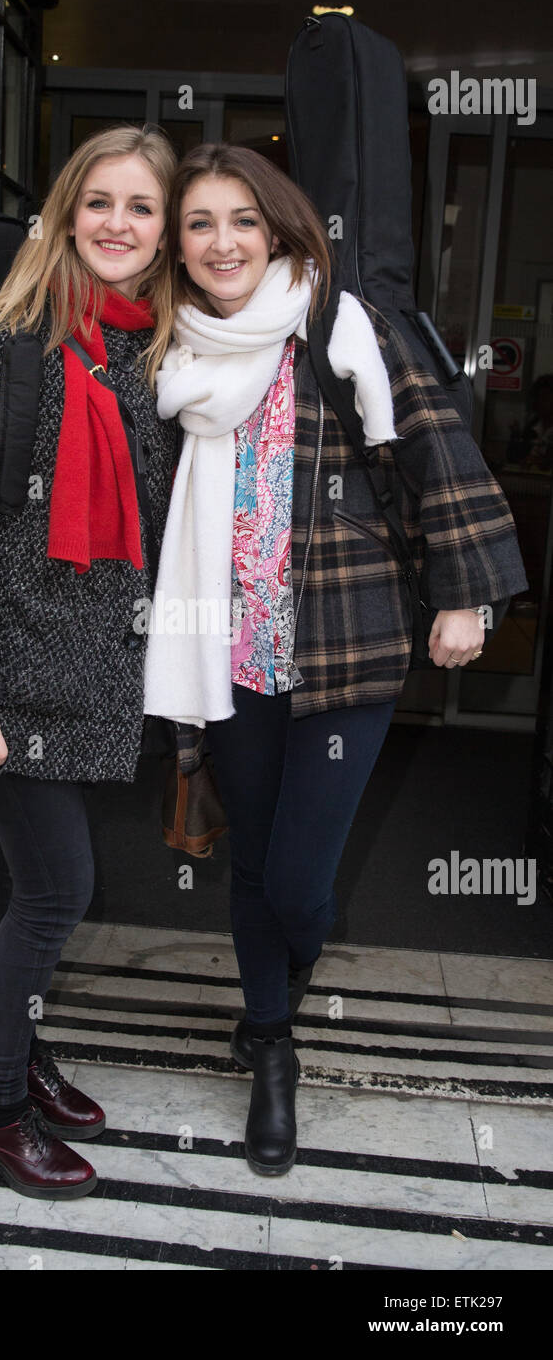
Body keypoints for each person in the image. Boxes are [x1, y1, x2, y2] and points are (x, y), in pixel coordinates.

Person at [143, 143, 529, 1177]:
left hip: (342, 646)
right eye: (198, 223)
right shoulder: (170, 349)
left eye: (238, 219)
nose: (220, 241)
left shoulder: (339, 324)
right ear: (177, 246)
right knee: (257, 863)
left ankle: (284, 974)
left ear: (275, 227)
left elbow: (437, 452)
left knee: (299, 885)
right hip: (224, 658)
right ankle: (269, 1044)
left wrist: (464, 592)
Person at [0, 124, 178, 1201]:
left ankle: (19, 1052)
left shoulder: (149, 348)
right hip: (12, 671)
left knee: (20, 876)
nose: (117, 224)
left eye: (141, 207)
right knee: (59, 888)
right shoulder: (5, 341)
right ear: (66, 212)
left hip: (94, 672)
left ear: (162, 231)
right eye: (99, 201)